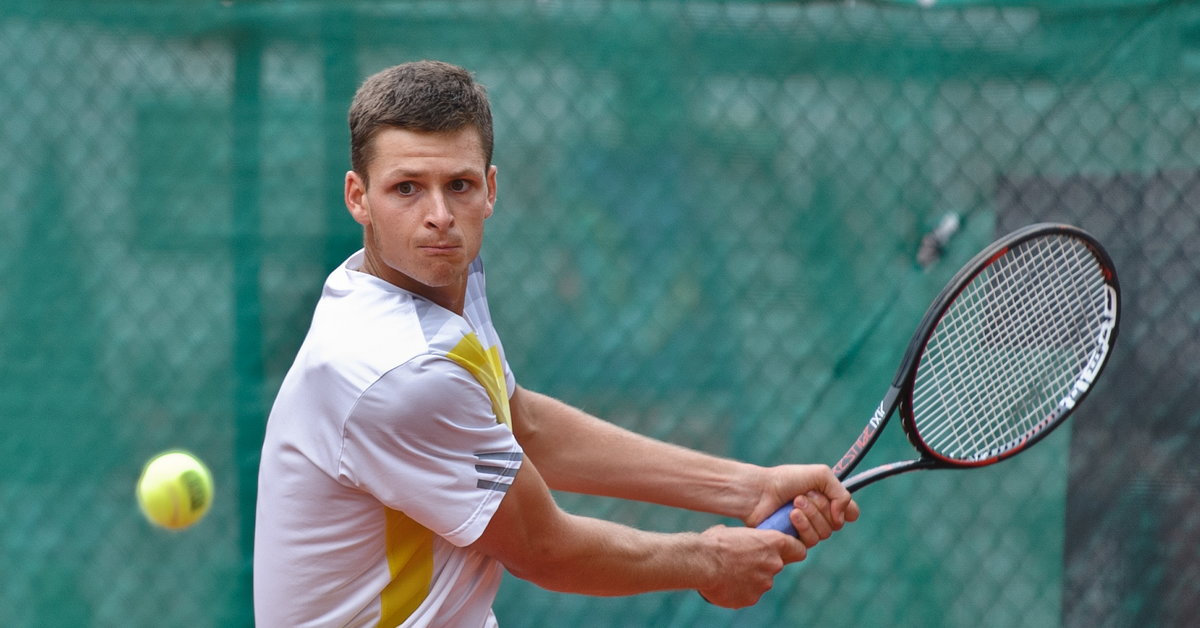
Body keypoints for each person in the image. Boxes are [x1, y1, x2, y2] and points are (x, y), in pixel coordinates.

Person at [253, 60, 860, 628]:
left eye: (458, 186)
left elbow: (521, 425)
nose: (438, 214)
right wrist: (708, 560)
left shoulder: (418, 284)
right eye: (406, 188)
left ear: (490, 189)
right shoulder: (400, 370)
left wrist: (746, 488)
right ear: (358, 196)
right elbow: (544, 549)